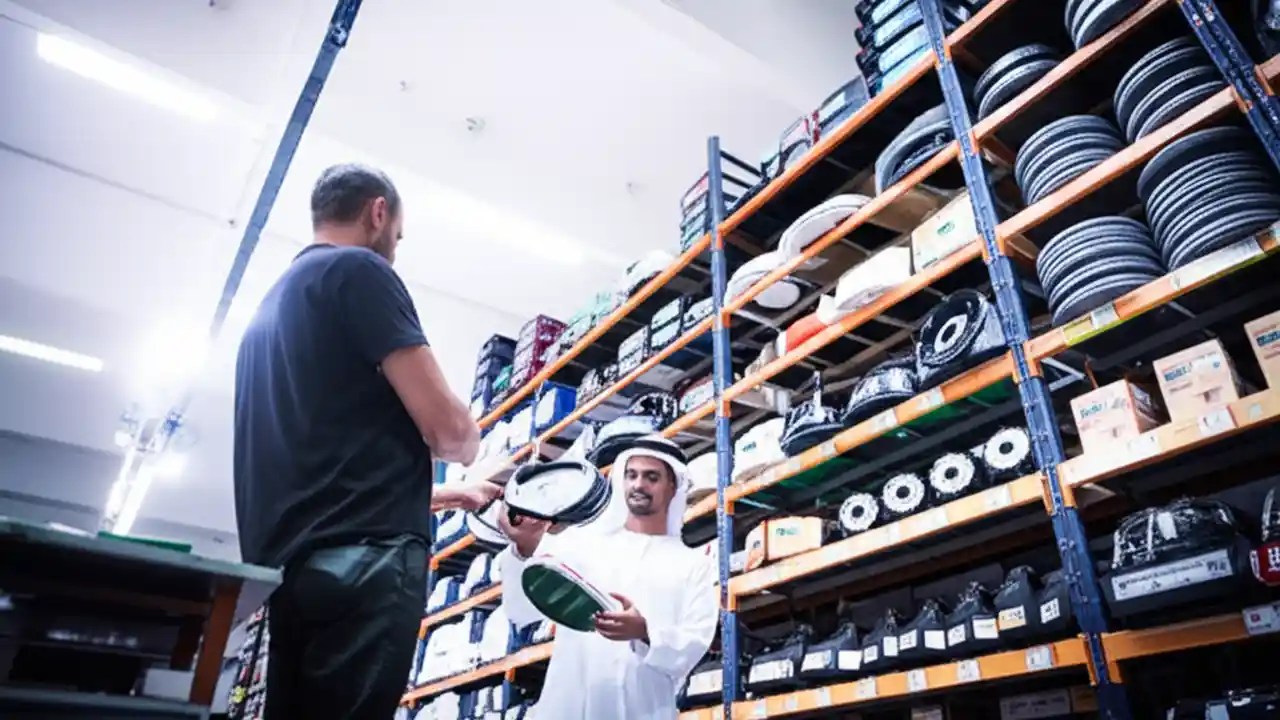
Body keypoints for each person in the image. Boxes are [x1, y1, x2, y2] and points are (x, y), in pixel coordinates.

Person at [233, 163, 499, 718]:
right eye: (397, 237)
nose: (394, 251)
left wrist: (457, 495)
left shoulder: (267, 315)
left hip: (292, 577)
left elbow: (326, 481)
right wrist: (471, 441)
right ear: (378, 212)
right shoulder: (358, 270)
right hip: (367, 569)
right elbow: (449, 434)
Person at [497, 436, 718, 719]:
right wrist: (521, 547)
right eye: (631, 475)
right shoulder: (581, 542)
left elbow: (695, 640)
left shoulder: (693, 563)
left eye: (652, 477)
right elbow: (521, 612)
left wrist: (645, 631)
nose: (638, 485)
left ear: (673, 486)